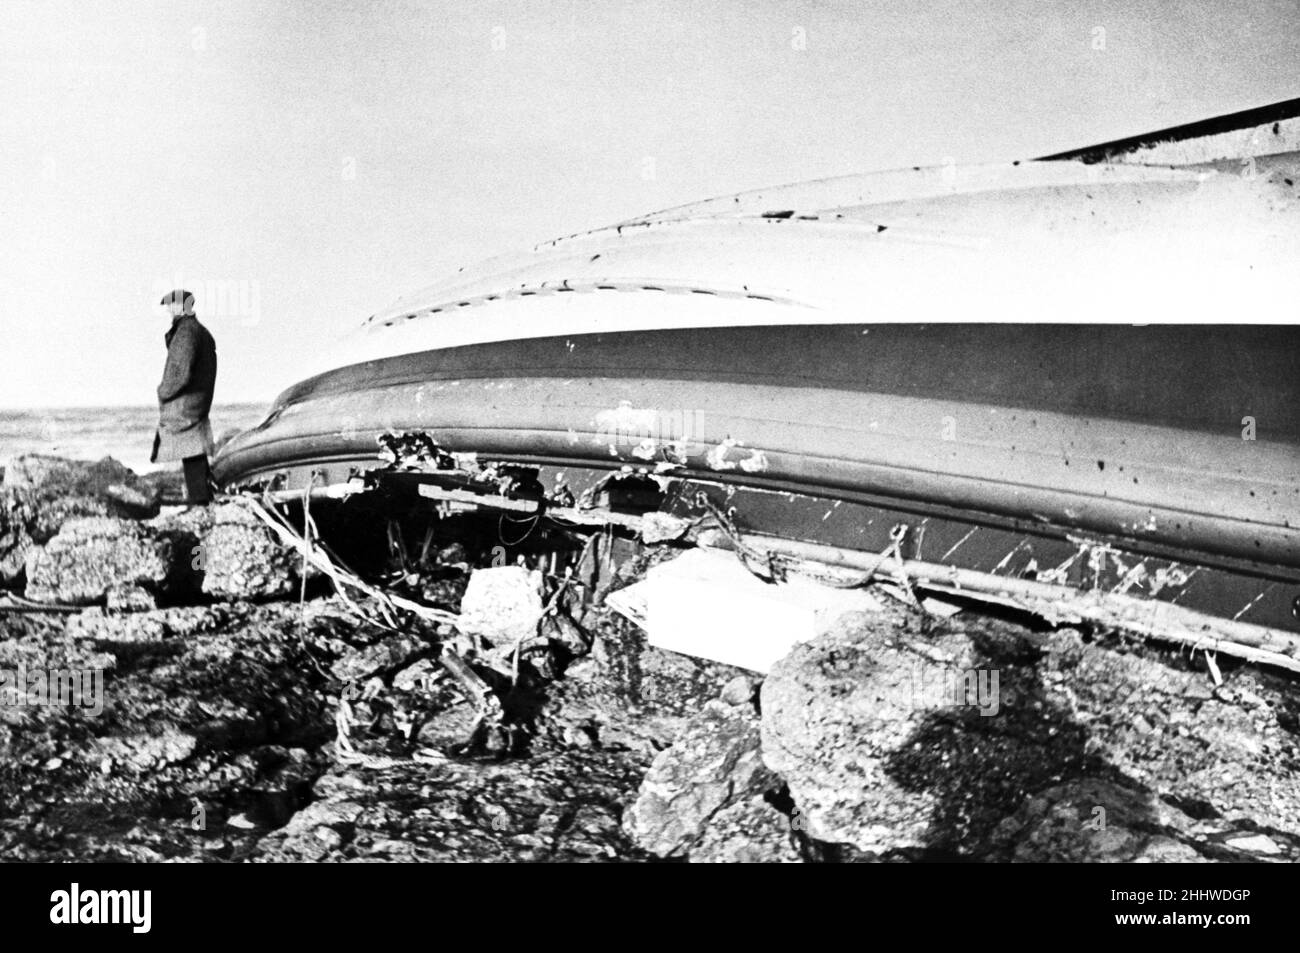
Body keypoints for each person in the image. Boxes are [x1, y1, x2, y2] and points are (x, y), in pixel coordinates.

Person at [151, 289, 218, 504]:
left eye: (172, 305)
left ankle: (199, 501)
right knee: (194, 451)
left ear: (182, 306)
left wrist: (163, 391)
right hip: (199, 399)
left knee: (190, 451)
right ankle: (204, 497)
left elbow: (180, 372)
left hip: (187, 402)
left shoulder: (186, 332)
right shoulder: (199, 331)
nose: (169, 310)